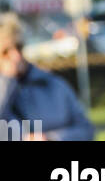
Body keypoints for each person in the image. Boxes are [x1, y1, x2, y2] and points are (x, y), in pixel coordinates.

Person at [0, 12, 95, 141]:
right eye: (5, 52)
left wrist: (52, 138)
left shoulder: (54, 85)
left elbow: (86, 130)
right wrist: (7, 81)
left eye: (19, 47)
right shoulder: (5, 93)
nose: (16, 57)